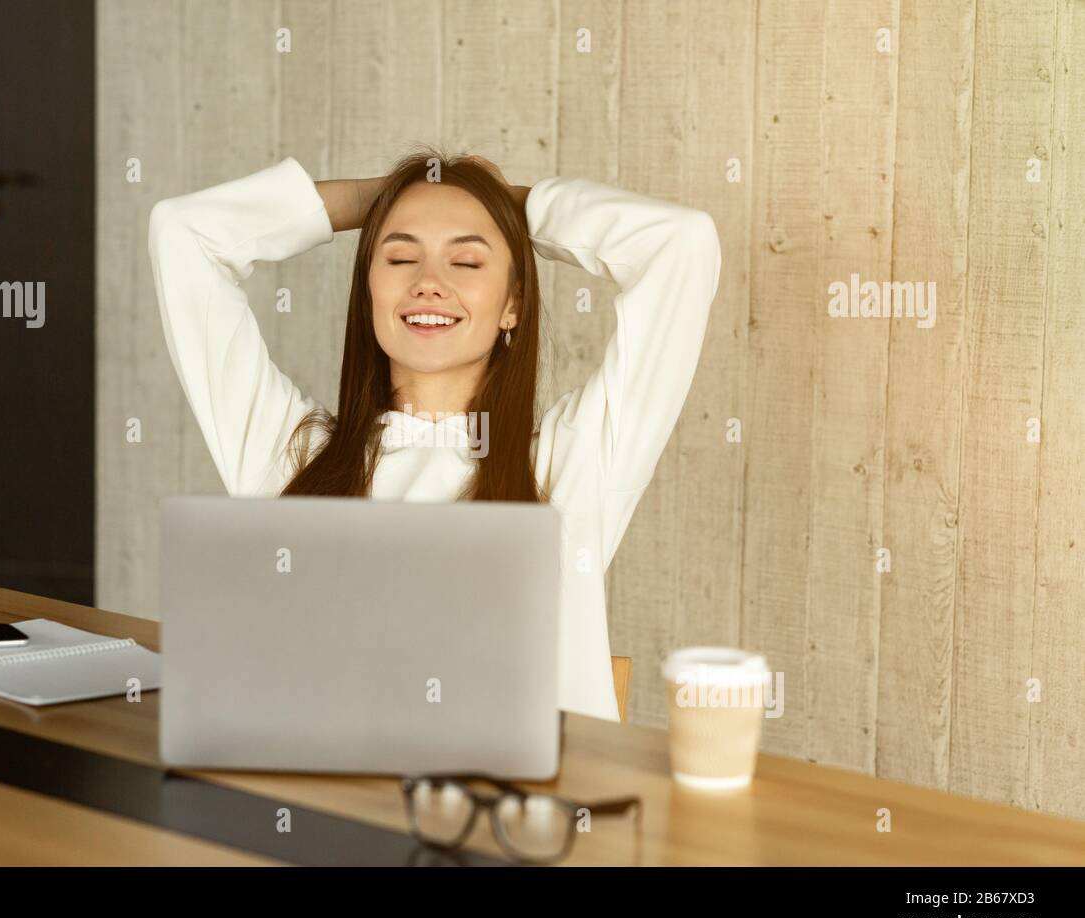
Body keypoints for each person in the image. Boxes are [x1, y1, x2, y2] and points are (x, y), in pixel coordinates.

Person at [147, 148, 722, 721]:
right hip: (327, 801)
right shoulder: (290, 453)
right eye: (399, 258)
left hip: (517, 810)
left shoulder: (571, 464)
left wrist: (504, 204)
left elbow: (681, 245)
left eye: (467, 263)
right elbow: (183, 234)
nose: (428, 283)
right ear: (368, 289)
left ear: (513, 304)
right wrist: (375, 200)